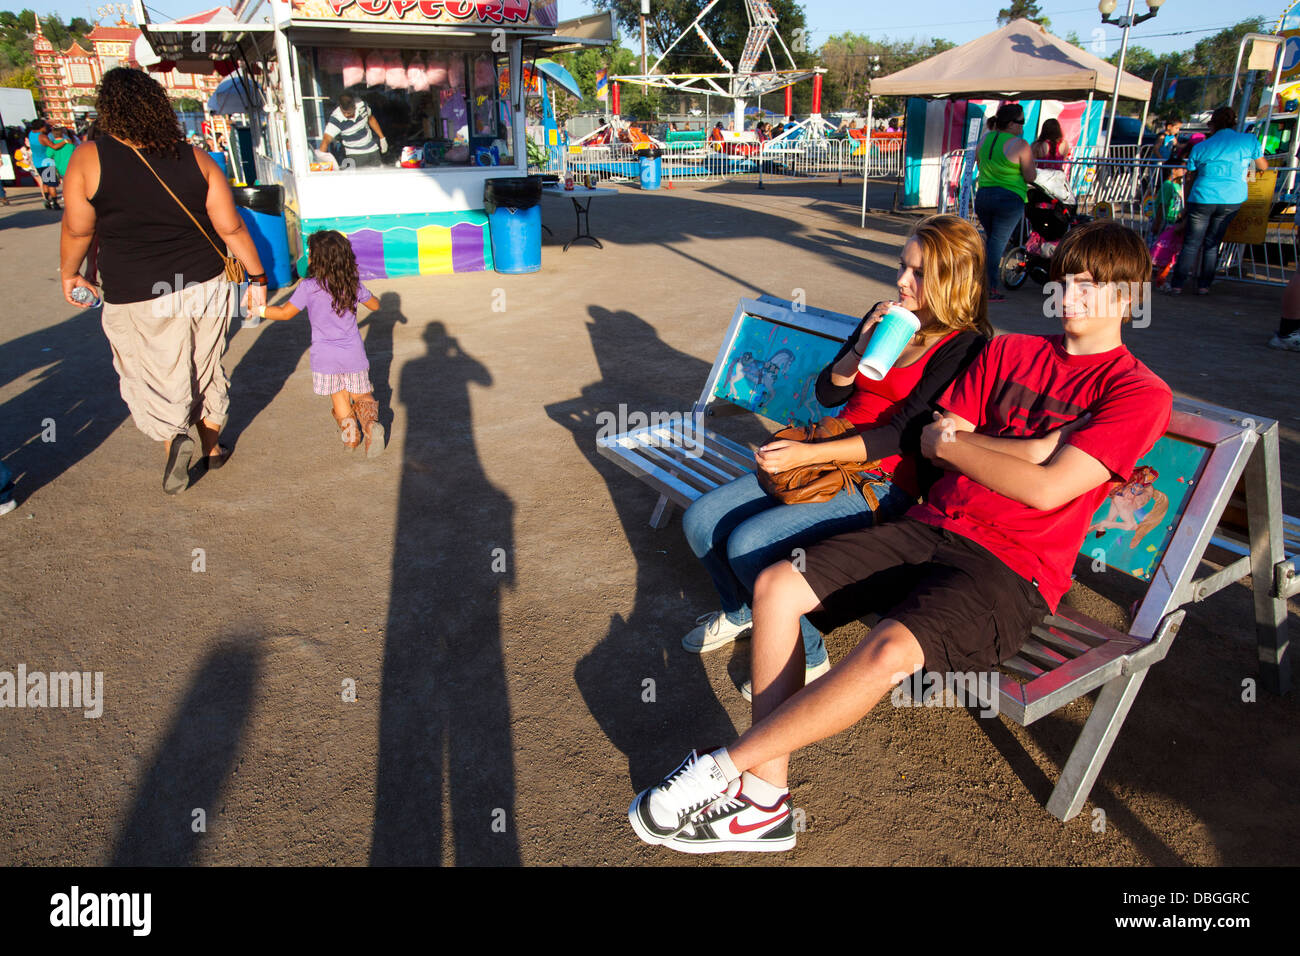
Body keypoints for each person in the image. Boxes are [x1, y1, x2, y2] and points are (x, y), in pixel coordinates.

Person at [629, 220, 1172, 853]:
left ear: (1132, 296)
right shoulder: (1012, 351)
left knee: (888, 650)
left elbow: (1047, 493)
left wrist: (991, 451)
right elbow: (938, 444)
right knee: (777, 584)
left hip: (1013, 568)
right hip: (930, 525)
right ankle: (766, 800)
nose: (1073, 296)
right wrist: (1038, 448)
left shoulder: (1138, 392)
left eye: (1095, 286)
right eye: (1068, 279)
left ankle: (722, 769)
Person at [680, 214, 991, 699]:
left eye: (918, 273)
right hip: (831, 451)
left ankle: (809, 653)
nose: (900, 280)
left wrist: (806, 455)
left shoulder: (966, 348)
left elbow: (901, 434)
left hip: (885, 483)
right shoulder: (889, 316)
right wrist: (860, 347)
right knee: (701, 521)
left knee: (748, 545)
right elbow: (827, 392)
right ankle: (744, 612)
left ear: (954, 280)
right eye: (902, 266)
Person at [59, 67, 267, 495]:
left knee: (152, 371)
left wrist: (70, 273)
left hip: (135, 294)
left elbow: (79, 230)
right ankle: (211, 449)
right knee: (205, 365)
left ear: (108, 110)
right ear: (159, 106)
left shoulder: (88, 158)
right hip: (205, 284)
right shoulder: (197, 157)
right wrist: (257, 278)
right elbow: (230, 228)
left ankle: (176, 437)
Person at [258, 230, 387, 456]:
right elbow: (375, 306)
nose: (307, 257)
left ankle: (350, 439)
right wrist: (370, 298)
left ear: (317, 260)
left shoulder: (308, 287)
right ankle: (370, 426)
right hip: (352, 353)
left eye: (310, 253)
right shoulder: (351, 283)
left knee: (339, 397)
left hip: (324, 357)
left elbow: (285, 313)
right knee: (362, 394)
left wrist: (259, 309)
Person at [1163, 106, 1267, 296]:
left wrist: (1185, 206)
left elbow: (1190, 178)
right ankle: (1204, 285)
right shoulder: (1248, 140)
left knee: (1192, 243)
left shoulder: (1201, 146)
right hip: (1232, 199)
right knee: (1213, 243)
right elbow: (1263, 166)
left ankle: (1177, 284)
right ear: (1234, 121)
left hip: (1202, 197)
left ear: (1212, 125)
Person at [974, 103, 1036, 301]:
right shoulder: (1020, 145)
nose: (1023, 126)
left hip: (984, 195)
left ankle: (980, 283)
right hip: (1009, 199)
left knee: (992, 242)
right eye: (1021, 122)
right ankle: (988, 287)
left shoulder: (986, 139)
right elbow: (1030, 176)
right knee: (996, 245)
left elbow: (978, 161)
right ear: (1011, 124)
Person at [321, 93, 387, 169]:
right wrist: (322, 162)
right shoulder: (336, 119)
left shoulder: (362, 106)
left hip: (373, 150)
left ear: (354, 106)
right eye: (344, 112)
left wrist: (382, 138)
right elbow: (325, 141)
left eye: (348, 112)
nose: (346, 115)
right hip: (355, 155)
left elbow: (371, 119)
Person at [28, 119, 67, 209]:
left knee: (45, 182)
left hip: (37, 162)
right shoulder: (42, 137)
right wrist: (65, 141)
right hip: (47, 162)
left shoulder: (31, 134)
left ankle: (47, 200)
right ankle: (55, 202)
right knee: (51, 184)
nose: (46, 127)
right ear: (41, 127)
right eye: (45, 126)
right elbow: (54, 146)